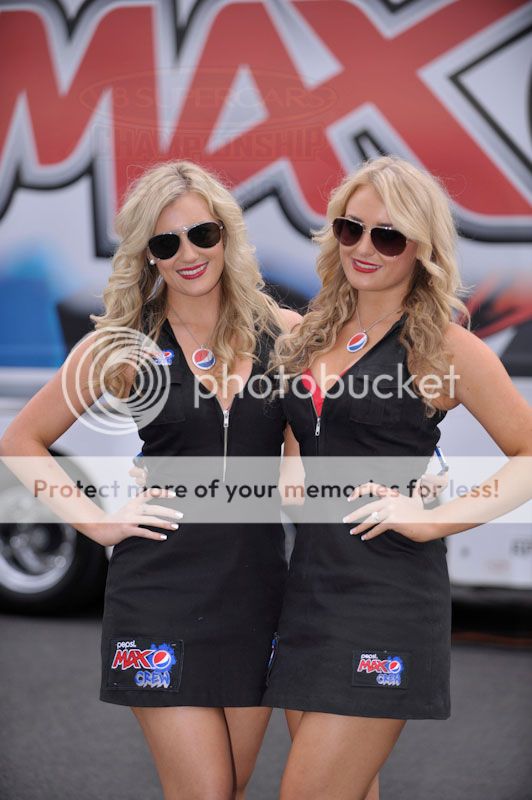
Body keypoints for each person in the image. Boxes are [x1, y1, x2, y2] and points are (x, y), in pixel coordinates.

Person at [0, 160, 301, 800]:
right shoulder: (124, 344)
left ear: (227, 234)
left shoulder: (287, 334)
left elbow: (311, 444)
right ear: (148, 256)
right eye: (166, 243)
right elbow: (20, 441)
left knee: (235, 785)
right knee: (204, 790)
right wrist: (98, 523)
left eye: (202, 235)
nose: (188, 254)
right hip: (158, 590)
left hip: (258, 592)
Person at [262, 155, 532, 800]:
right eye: (351, 228)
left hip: (386, 598)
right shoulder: (313, 333)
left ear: (421, 248)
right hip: (307, 592)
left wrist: (435, 518)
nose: (364, 247)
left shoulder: (444, 346)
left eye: (388, 236)